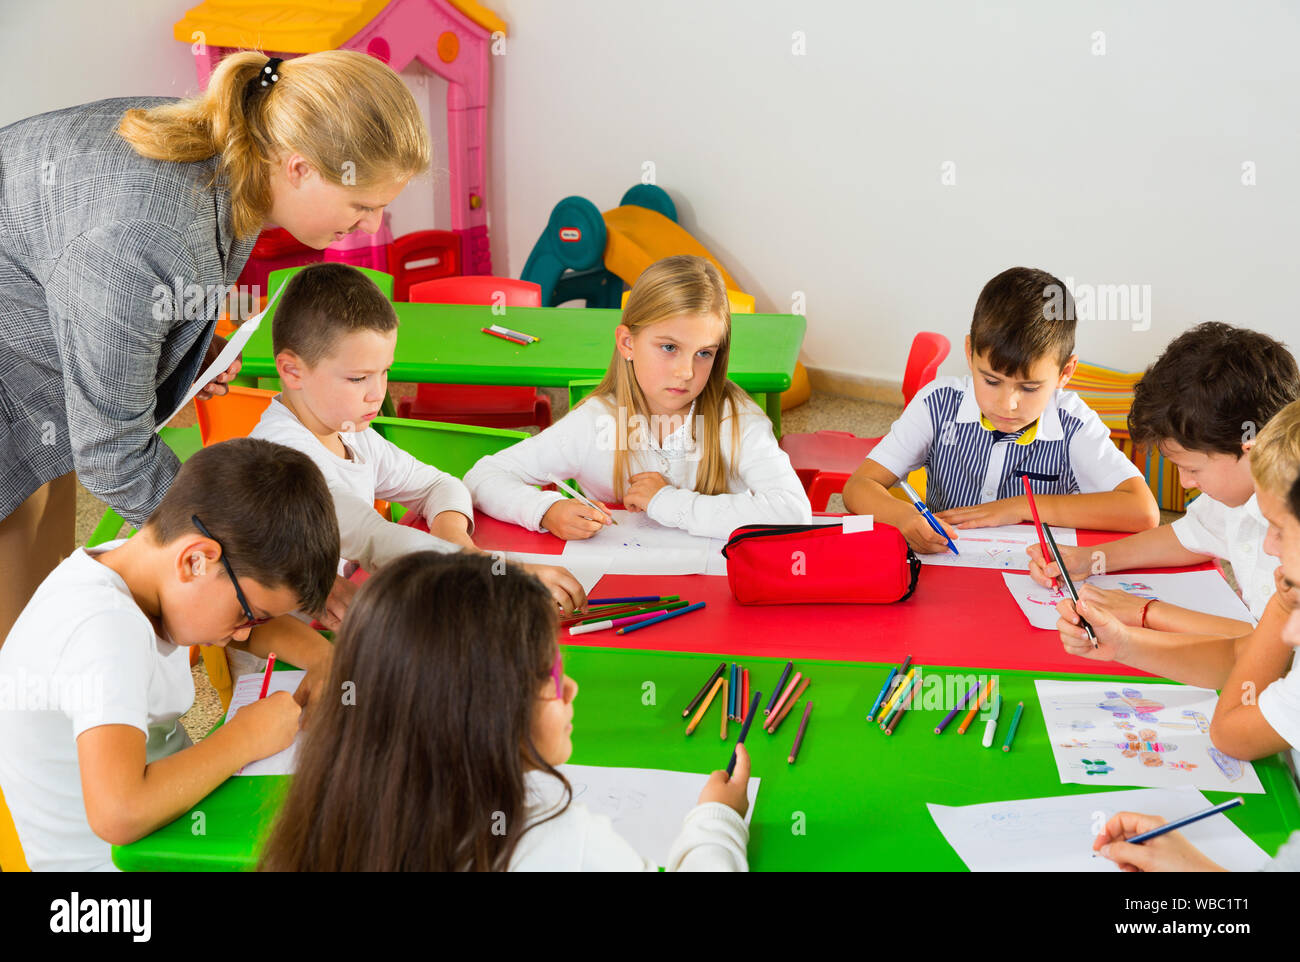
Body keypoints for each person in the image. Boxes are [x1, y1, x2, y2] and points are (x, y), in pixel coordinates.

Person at [0, 49, 429, 639]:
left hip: (31, 319)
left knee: (44, 523)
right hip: (16, 340)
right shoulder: (145, 230)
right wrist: (259, 562)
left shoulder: (241, 159)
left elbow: (129, 313)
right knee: (17, 595)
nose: (373, 226)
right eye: (363, 205)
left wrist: (182, 355)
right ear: (300, 168)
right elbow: (112, 448)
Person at [259, 551, 751, 871]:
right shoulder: (558, 844)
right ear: (487, 708)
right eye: (551, 675)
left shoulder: (330, 814)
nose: (571, 687)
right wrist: (716, 822)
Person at [0, 439, 340, 871]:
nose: (243, 632)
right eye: (246, 615)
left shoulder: (138, 569)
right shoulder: (103, 631)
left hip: (172, 821)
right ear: (196, 561)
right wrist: (245, 738)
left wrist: (324, 660)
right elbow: (119, 813)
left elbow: (248, 620)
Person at [248, 262, 587, 613]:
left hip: (352, 617)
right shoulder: (284, 456)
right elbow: (377, 539)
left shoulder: (345, 429)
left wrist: (455, 540)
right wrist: (498, 570)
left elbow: (439, 484)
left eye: (385, 372)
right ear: (291, 371)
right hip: (295, 653)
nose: (377, 394)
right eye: (357, 378)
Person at [465, 255, 811, 540]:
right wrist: (546, 510)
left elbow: (793, 512)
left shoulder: (736, 422)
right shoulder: (596, 422)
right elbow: (483, 477)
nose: (687, 372)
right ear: (627, 344)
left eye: (704, 353)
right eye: (669, 348)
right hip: (619, 593)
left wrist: (665, 501)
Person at [842, 266, 1159, 553]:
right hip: (944, 569)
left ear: (1066, 372)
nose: (1008, 404)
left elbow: (1144, 512)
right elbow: (858, 487)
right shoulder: (937, 404)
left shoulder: (1072, 423)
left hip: (1032, 577)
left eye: (1030, 388)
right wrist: (901, 516)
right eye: (991, 381)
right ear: (970, 352)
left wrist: (1021, 507)